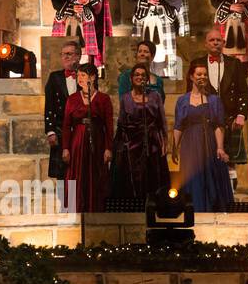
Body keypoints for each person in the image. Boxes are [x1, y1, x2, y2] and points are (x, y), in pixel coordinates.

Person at [172, 60, 234, 211]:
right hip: (190, 145)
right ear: (191, 77)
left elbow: (218, 126)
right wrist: (174, 147)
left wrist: (220, 147)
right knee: (193, 179)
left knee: (210, 177)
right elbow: (178, 126)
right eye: (199, 74)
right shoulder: (182, 100)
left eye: (205, 74)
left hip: (208, 143)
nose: (203, 77)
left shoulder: (214, 100)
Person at [111, 64, 169, 200]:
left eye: (143, 75)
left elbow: (162, 121)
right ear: (131, 79)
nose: (140, 77)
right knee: (133, 179)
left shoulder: (155, 96)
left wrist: (165, 141)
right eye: (137, 75)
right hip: (132, 145)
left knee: (152, 176)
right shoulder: (125, 98)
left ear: (147, 79)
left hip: (152, 143)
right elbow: (121, 122)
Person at [61, 63, 113, 213]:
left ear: (93, 77)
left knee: (95, 175)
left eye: (83, 75)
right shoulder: (72, 99)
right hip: (77, 141)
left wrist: (108, 148)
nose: (80, 79)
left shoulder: (103, 99)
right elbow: (66, 125)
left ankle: (95, 210)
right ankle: (74, 210)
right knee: (76, 176)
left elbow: (109, 126)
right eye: (78, 76)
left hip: (97, 141)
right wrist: (65, 147)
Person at [203, 28, 248, 170]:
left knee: (230, 165)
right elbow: (189, 94)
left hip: (230, 120)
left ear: (223, 43)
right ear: (205, 44)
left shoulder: (234, 63)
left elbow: (243, 92)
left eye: (218, 40)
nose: (215, 43)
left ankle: (230, 191)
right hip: (205, 121)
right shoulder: (197, 64)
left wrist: (241, 115)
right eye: (212, 40)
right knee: (206, 164)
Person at [44, 41, 81, 185]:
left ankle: (78, 204)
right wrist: (50, 131)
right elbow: (49, 106)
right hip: (59, 130)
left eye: (69, 54)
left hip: (80, 131)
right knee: (61, 173)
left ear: (78, 56)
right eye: (63, 54)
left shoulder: (86, 76)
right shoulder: (55, 78)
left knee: (78, 170)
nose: (65, 57)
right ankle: (65, 206)